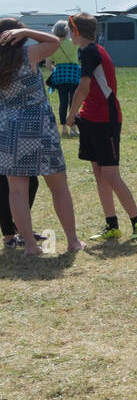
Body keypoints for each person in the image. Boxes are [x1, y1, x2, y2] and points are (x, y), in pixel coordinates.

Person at [0, 19, 85, 255]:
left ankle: (30, 245)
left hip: (8, 131)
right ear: (16, 36)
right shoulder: (29, 54)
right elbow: (55, 42)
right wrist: (26, 30)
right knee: (58, 187)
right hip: (39, 129)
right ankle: (72, 241)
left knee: (16, 191)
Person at [65, 13, 137, 240]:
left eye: (70, 30)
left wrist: (70, 115)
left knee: (111, 175)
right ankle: (112, 225)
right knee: (100, 175)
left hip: (105, 120)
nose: (69, 34)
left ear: (76, 31)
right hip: (90, 118)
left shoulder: (92, 52)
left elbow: (83, 88)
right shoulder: (88, 51)